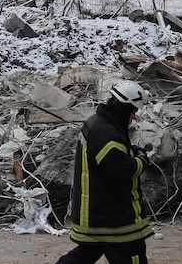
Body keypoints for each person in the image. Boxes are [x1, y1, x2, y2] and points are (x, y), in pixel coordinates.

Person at [56, 80, 154, 264]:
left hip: (98, 213)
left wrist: (130, 150)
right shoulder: (106, 134)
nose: (134, 117)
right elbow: (122, 169)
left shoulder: (100, 124)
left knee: (85, 255)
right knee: (132, 256)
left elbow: (109, 156)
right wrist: (142, 161)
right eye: (133, 112)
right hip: (111, 217)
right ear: (124, 110)